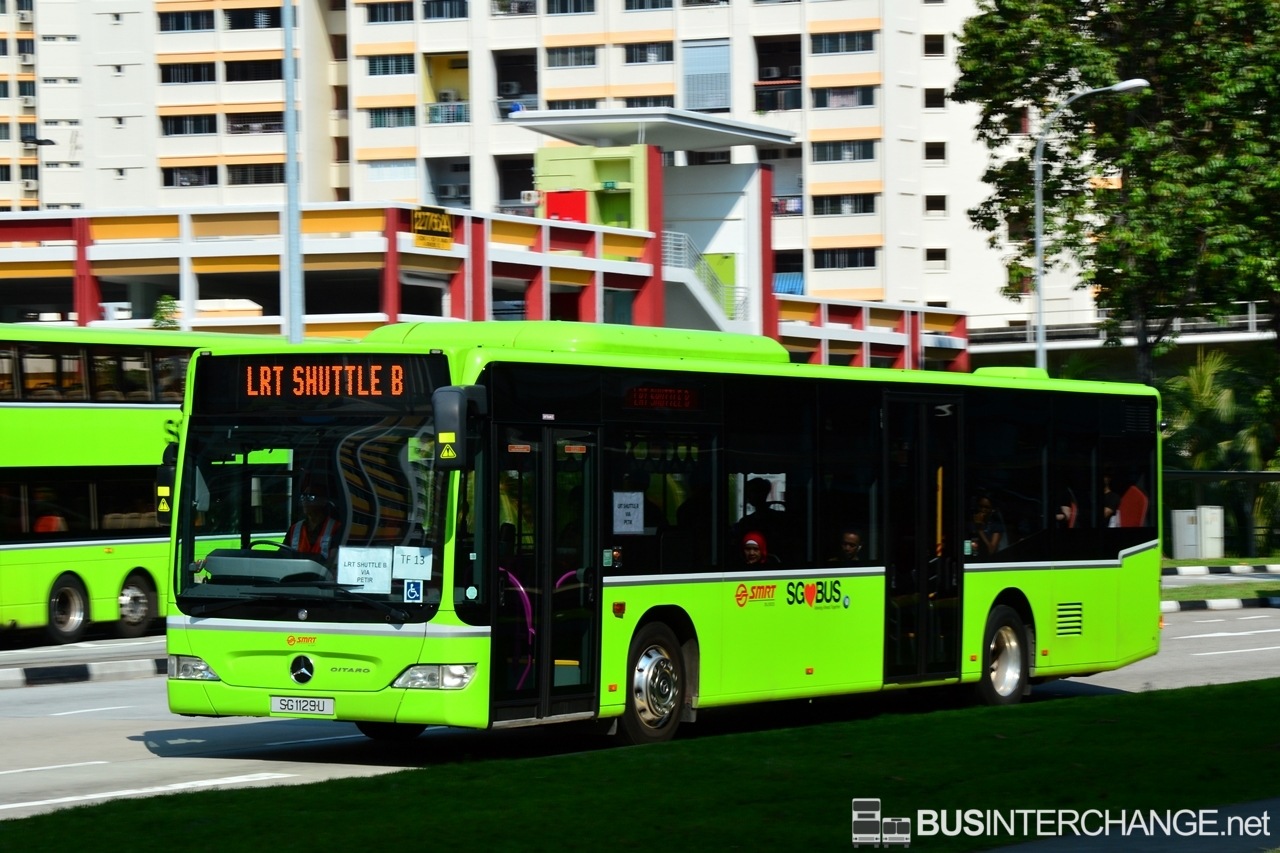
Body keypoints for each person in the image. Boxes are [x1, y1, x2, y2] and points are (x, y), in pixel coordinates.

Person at [287, 483, 341, 566]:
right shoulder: (294, 529)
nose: (305, 500)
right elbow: (283, 555)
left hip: (323, 577)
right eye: (303, 496)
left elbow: (336, 561)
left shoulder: (337, 528)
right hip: (296, 577)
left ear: (323, 501)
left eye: (311, 497)